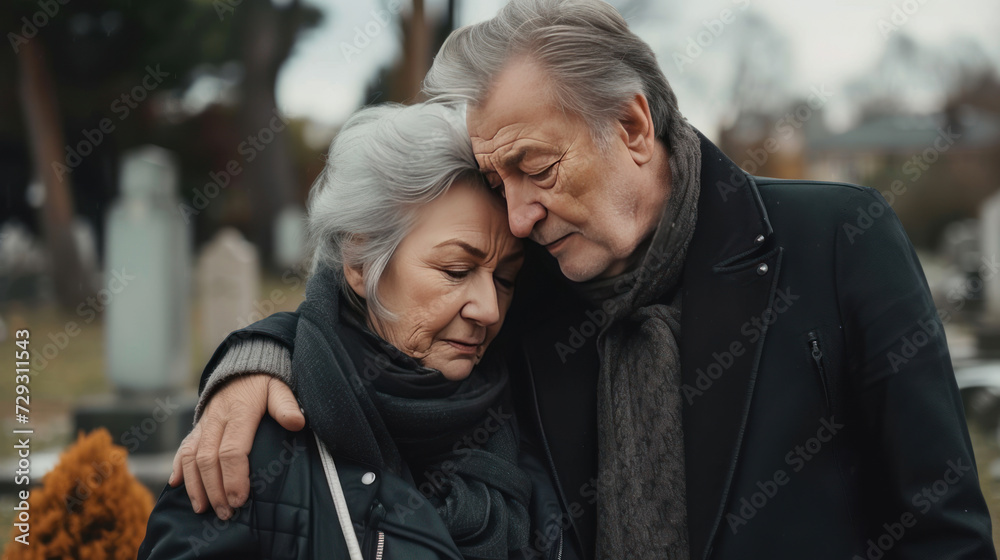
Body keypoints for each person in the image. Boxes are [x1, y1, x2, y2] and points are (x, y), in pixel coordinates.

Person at [172, 1, 997, 559]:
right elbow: (374, 321)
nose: (521, 218)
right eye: (502, 188)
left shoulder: (835, 242)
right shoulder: (536, 290)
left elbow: (946, 528)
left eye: (536, 169)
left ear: (632, 125)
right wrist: (258, 360)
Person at [138, 102, 552, 559]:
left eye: (505, 279)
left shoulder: (539, 405)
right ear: (361, 260)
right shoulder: (251, 443)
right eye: (456, 270)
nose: (489, 309)